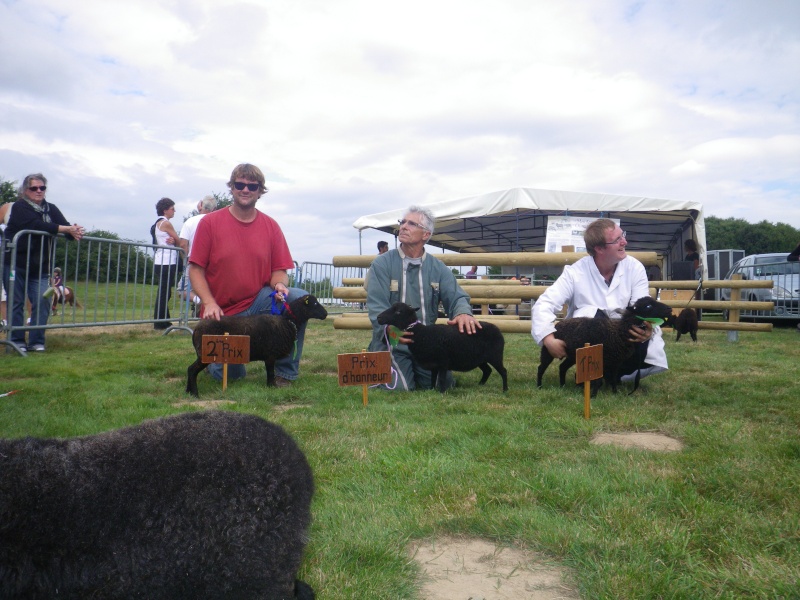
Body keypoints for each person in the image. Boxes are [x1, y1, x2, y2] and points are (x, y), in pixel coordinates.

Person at [189, 163, 309, 388]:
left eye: (252, 186)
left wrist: (280, 285)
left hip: (258, 304)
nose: (245, 189)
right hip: (222, 315)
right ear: (232, 188)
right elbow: (195, 269)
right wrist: (209, 302)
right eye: (240, 184)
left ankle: (284, 374)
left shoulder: (271, 226)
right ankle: (215, 364)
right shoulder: (209, 223)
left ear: (260, 191)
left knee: (298, 299)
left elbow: (279, 271)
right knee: (231, 376)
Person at [531, 218, 667, 383]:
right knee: (593, 321)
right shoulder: (574, 273)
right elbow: (544, 304)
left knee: (640, 343)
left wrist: (647, 330)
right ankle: (590, 373)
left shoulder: (635, 268)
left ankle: (607, 375)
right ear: (599, 248)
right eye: (617, 239)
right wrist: (548, 339)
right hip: (591, 337)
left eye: (622, 235)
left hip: (622, 338)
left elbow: (641, 307)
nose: (625, 241)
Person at [366, 205, 480, 391]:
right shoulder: (381, 264)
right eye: (402, 222)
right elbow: (376, 308)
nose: (403, 226)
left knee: (441, 385)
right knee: (399, 388)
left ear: (426, 234)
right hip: (393, 343)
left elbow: (457, 296)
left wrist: (463, 313)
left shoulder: (438, 267)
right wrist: (392, 333)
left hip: (427, 345)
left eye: (411, 223)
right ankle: (380, 366)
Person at [2, 174, 85, 353]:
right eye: (34, 188)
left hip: (40, 267)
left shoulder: (50, 208)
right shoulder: (19, 207)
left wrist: (75, 231)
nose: (39, 191)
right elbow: (36, 225)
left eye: (42, 188)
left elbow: (64, 226)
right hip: (15, 263)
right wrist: (65, 229)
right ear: (25, 191)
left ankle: (36, 342)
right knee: (16, 302)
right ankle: (16, 341)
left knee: (43, 301)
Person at [151, 197, 187, 330]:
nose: (174, 211)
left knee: (164, 291)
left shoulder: (158, 223)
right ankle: (160, 323)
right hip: (167, 262)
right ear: (165, 210)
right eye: (172, 208)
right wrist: (175, 241)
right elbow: (179, 241)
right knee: (164, 292)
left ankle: (164, 321)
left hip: (160, 261)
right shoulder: (166, 223)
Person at [177, 195, 217, 309]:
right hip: (212, 262)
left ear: (201, 206)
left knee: (182, 290)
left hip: (194, 261)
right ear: (214, 209)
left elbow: (183, 244)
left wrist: (186, 261)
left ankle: (201, 302)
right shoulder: (215, 222)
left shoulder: (190, 221)